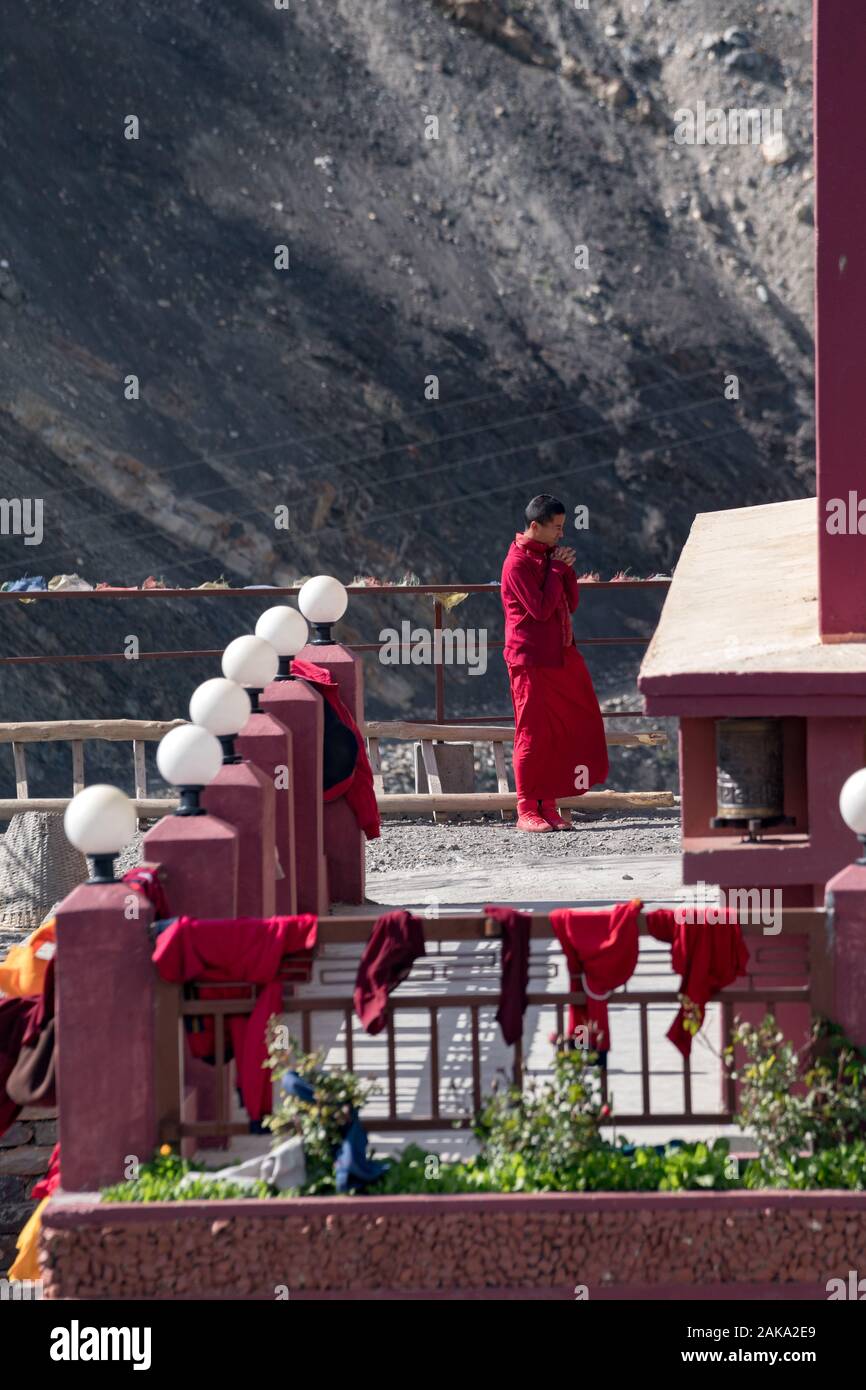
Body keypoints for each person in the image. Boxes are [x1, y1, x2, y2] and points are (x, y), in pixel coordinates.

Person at [500, 494, 609, 832]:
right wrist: (558, 568)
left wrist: (564, 570)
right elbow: (540, 609)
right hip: (529, 659)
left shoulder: (548, 558)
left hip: (560, 655)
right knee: (531, 732)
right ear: (535, 526)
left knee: (562, 729)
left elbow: (570, 603)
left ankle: (547, 804)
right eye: (557, 528)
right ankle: (526, 809)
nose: (562, 534)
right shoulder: (517, 563)